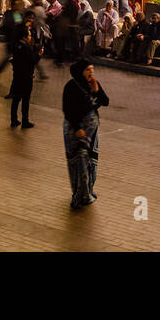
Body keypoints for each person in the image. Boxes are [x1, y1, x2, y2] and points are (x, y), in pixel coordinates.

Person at [62, 60, 108, 209]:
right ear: (81, 71)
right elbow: (68, 110)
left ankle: (88, 191)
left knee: (90, 162)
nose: (91, 73)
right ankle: (79, 195)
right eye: (88, 70)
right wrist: (77, 128)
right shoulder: (71, 86)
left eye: (92, 69)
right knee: (78, 162)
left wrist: (97, 92)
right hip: (76, 131)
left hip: (91, 132)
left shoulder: (94, 84)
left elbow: (106, 101)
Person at [8, 24, 42, 129]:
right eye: (29, 35)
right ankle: (25, 121)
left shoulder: (17, 46)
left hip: (17, 76)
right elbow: (32, 61)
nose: (30, 37)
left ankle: (14, 120)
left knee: (16, 99)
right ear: (24, 37)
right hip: (26, 78)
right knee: (26, 100)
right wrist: (39, 54)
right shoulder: (26, 49)